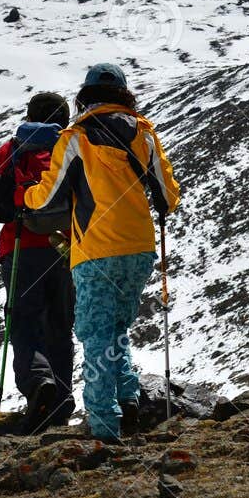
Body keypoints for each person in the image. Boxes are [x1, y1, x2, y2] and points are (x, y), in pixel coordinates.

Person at [22, 64, 179, 441]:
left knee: (96, 334)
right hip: (139, 249)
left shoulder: (74, 138)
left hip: (95, 250)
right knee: (116, 330)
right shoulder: (144, 133)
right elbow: (168, 196)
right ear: (124, 95)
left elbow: (48, 195)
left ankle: (105, 424)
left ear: (85, 95)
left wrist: (27, 196)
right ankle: (128, 402)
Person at [0, 91, 76, 433]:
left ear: (30, 115)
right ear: (64, 119)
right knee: (60, 326)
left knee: (24, 323)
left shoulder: (11, 150)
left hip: (20, 248)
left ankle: (39, 384)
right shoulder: (71, 149)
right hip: (66, 248)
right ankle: (60, 400)